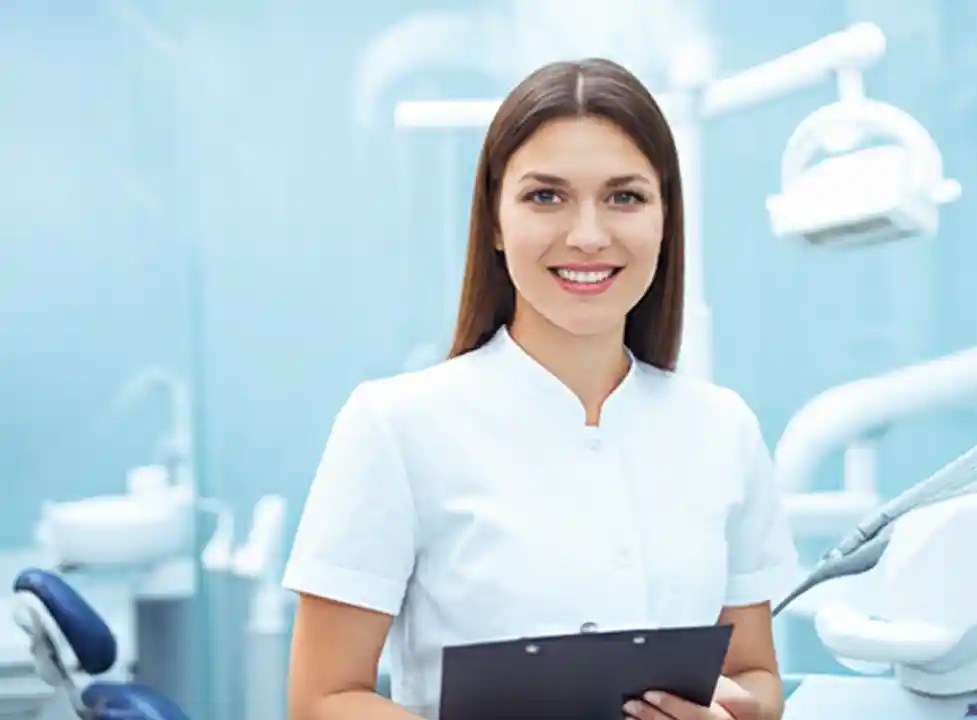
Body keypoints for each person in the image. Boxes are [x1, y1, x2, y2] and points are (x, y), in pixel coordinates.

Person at [282, 57, 801, 720]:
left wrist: (732, 713)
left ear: (665, 218)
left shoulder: (721, 429)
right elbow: (321, 699)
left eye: (625, 197)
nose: (587, 235)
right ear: (495, 222)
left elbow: (757, 676)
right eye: (546, 196)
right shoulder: (396, 425)